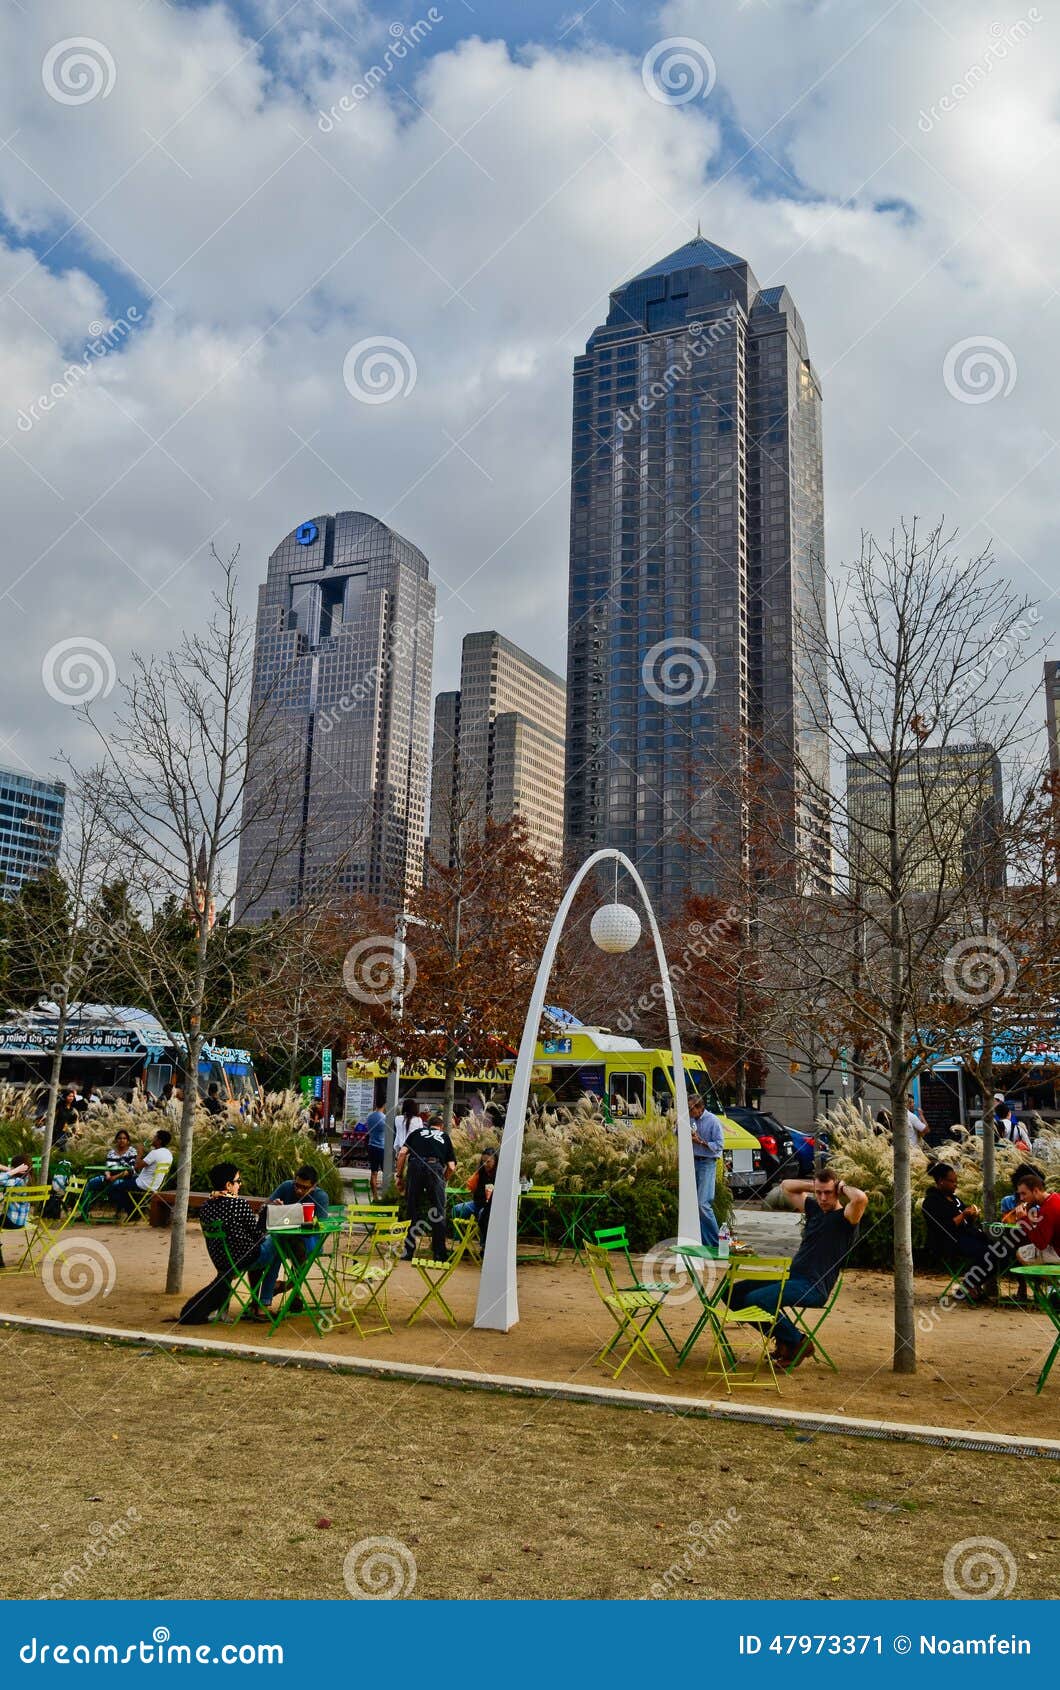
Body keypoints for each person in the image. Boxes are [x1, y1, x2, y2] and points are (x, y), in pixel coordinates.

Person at [729, 1168, 868, 1368]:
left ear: (837, 1192)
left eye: (828, 1193)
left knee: (756, 1300)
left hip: (813, 1286)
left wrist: (842, 1186)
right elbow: (786, 1186)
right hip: (792, 1278)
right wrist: (815, 1185)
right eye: (818, 1193)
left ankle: (797, 1342)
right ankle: (786, 1340)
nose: (822, 1198)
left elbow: (861, 1199)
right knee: (733, 1293)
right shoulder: (814, 1209)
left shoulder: (846, 1218)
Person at [180, 1162, 270, 1324]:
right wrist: (265, 1217)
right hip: (244, 1258)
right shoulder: (239, 1204)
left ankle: (234, 1308)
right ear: (228, 1185)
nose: (240, 1184)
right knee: (277, 1242)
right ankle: (264, 1299)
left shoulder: (206, 1206)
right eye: (238, 1181)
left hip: (221, 1260)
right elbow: (258, 1236)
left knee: (265, 1246)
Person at [921, 1163, 1016, 1299]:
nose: (955, 1185)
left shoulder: (955, 1199)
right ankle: (969, 1285)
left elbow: (964, 1223)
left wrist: (971, 1216)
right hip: (948, 1241)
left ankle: (971, 1284)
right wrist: (963, 1215)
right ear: (941, 1181)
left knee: (1002, 1251)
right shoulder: (931, 1202)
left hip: (967, 1237)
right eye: (952, 1181)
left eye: (956, 1181)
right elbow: (943, 1227)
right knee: (986, 1253)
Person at [256, 1164, 330, 1311]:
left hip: (309, 1240)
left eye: (304, 1187)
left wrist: (307, 1222)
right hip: (284, 1238)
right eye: (297, 1185)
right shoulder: (286, 1187)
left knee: (295, 1249)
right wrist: (273, 1205)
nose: (299, 1190)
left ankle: (289, 1290)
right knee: (275, 1248)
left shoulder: (321, 1197)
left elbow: (321, 1227)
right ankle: (267, 1300)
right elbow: (263, 1207)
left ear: (314, 1186)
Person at [397, 1111, 455, 1261]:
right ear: (440, 1128)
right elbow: (452, 1167)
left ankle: (408, 1252)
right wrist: (443, 1180)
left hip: (415, 1166)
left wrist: (399, 1176)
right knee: (438, 1211)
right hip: (434, 1168)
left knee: (412, 1209)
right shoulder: (445, 1137)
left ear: (427, 1126)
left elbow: (402, 1153)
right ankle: (439, 1253)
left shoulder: (417, 1133)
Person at [688, 1094, 725, 1249]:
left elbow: (719, 1145)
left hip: (707, 1163)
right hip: (692, 1162)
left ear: (700, 1108)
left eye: (691, 1109)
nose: (689, 1112)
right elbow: (676, 1133)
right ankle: (704, 1242)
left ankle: (716, 1243)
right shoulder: (689, 1119)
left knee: (703, 1204)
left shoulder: (713, 1121)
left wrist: (701, 1142)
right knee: (694, 1205)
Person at [108, 1129, 173, 1217]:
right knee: (127, 1180)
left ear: (159, 1141)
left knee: (115, 1188)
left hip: (143, 1184)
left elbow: (137, 1166)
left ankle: (132, 1212)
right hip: (155, 1185)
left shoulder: (155, 1153)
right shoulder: (168, 1153)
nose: (153, 1139)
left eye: (155, 1137)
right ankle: (129, 1211)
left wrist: (139, 1152)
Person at [79, 1128, 138, 1216]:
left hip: (124, 1178)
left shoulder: (132, 1151)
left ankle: (120, 1213)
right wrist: (107, 1175)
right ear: (116, 1140)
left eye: (124, 1138)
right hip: (109, 1177)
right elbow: (107, 1167)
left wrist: (115, 1177)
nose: (122, 1140)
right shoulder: (111, 1152)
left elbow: (131, 1170)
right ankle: (84, 1213)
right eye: (119, 1138)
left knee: (115, 1186)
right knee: (90, 1183)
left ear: (128, 1141)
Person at [1008, 1168, 1060, 1264]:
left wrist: (1024, 1219)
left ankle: (1049, 1278)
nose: (1021, 1198)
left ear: (1036, 1191)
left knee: (1022, 1253)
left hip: (1057, 1251)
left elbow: (1041, 1244)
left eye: (1024, 1194)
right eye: (1020, 1194)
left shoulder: (1047, 1209)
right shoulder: (1055, 1197)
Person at [466, 1147, 497, 1246]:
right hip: (477, 1203)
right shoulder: (479, 1173)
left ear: (495, 1161)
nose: (485, 1164)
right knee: (456, 1210)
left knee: (482, 1214)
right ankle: (463, 1243)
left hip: (489, 1207)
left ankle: (484, 1246)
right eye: (483, 1161)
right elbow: (470, 1186)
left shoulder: (499, 1175)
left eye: (488, 1162)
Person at [363, 1106, 387, 1200]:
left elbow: (368, 1129)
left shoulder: (369, 1116)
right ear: (384, 1105)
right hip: (382, 1147)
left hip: (371, 1146)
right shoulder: (384, 1117)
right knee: (387, 1173)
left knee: (373, 1173)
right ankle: (386, 1197)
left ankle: (375, 1197)